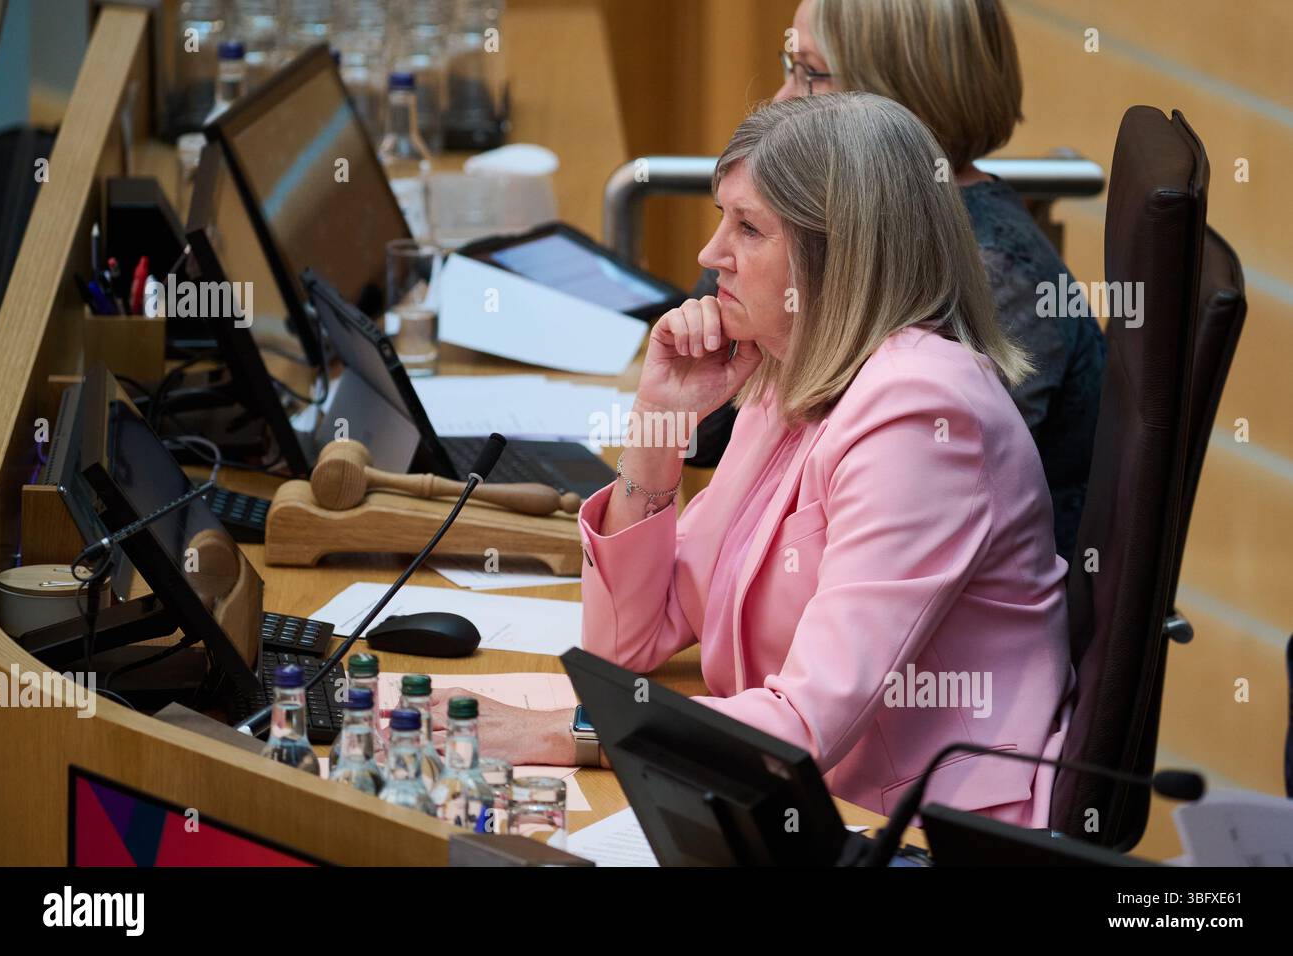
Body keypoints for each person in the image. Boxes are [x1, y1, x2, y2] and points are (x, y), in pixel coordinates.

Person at [435, 92, 1075, 828]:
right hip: (787, 798)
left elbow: (803, 728)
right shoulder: (789, 372)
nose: (711, 256)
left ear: (839, 255)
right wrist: (659, 419)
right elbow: (626, 644)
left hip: (911, 829)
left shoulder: (922, 416)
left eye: (748, 228)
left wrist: (557, 734)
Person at [689, 0, 1104, 564]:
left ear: (891, 99)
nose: (784, 98)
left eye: (810, 73)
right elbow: (706, 429)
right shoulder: (851, 229)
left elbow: (898, 520)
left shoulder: (993, 275)